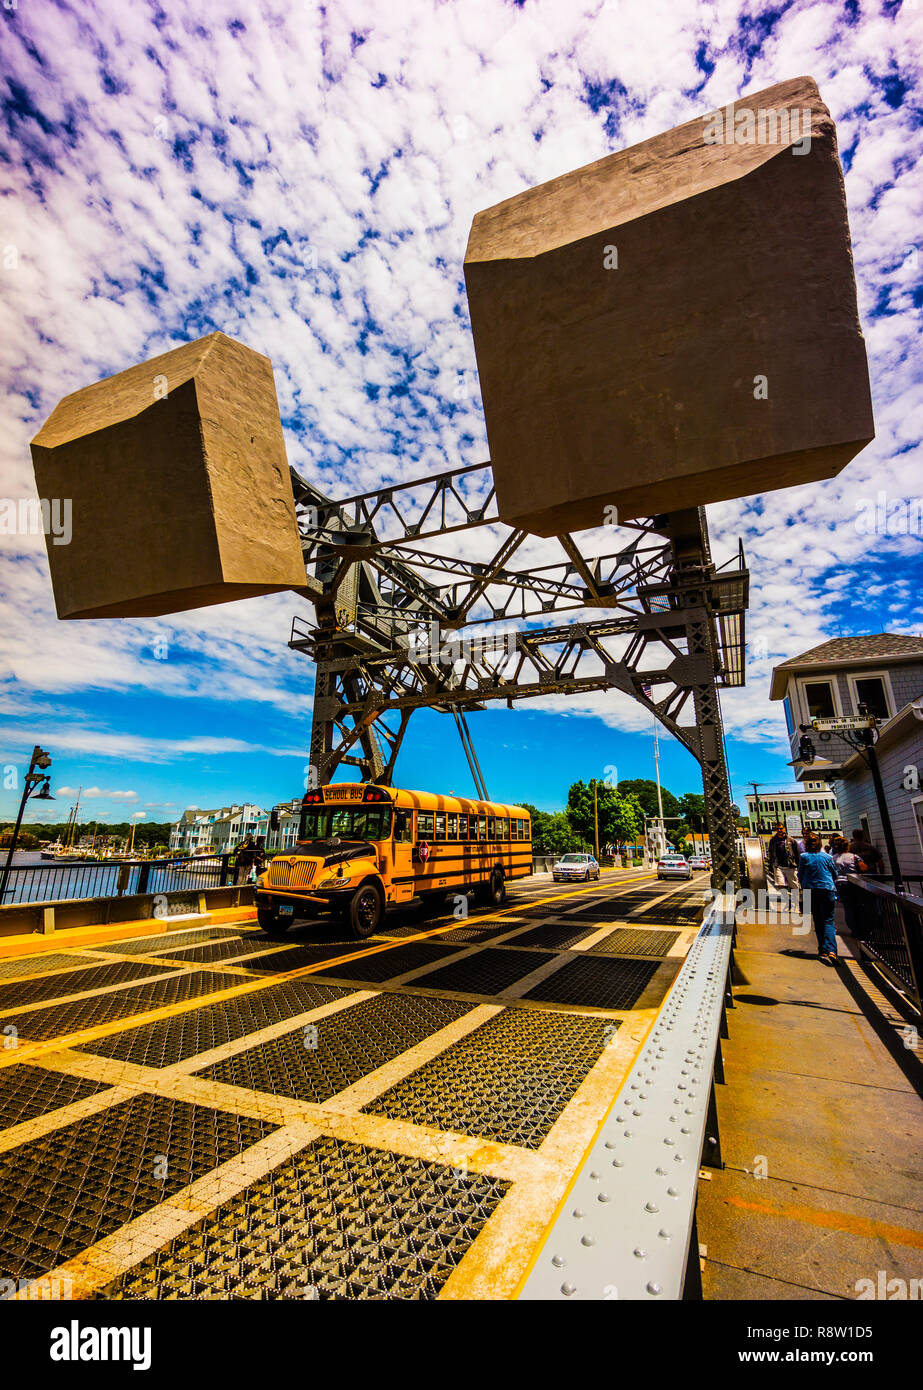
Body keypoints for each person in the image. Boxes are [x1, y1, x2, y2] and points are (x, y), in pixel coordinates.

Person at [797, 829, 839, 963]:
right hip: (827, 889)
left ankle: (822, 949)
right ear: (820, 844)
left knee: (818, 920)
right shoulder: (827, 857)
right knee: (829, 920)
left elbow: (800, 874)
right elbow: (835, 874)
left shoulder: (804, 857)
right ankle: (832, 950)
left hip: (811, 890)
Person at [830, 834, 867, 938]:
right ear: (847, 846)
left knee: (848, 907)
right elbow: (864, 868)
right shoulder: (853, 857)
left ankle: (853, 929)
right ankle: (861, 929)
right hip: (854, 884)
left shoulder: (833, 858)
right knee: (858, 906)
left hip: (840, 885)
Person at [766, 823, 800, 894]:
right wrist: (771, 864)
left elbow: (797, 853)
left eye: (781, 828)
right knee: (781, 885)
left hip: (790, 866)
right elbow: (771, 852)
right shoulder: (773, 841)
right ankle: (787, 901)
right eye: (778, 829)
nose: (779, 830)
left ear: (784, 829)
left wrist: (797, 865)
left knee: (794, 886)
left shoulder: (791, 840)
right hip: (779, 866)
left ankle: (795, 902)